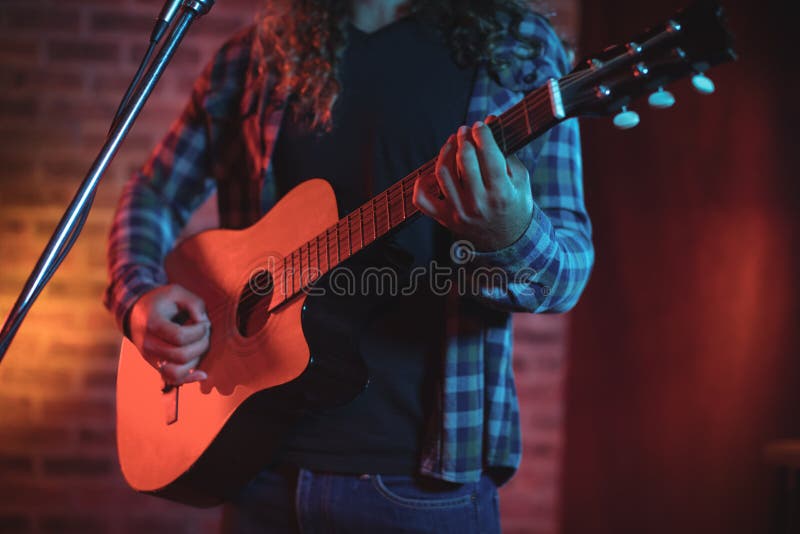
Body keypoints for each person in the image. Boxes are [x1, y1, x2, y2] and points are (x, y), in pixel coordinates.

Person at [104, 0, 594, 531]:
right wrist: (137, 296)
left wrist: (510, 233)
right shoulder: (254, 58)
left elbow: (566, 272)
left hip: (421, 489)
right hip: (256, 470)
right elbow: (153, 193)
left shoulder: (518, 49)